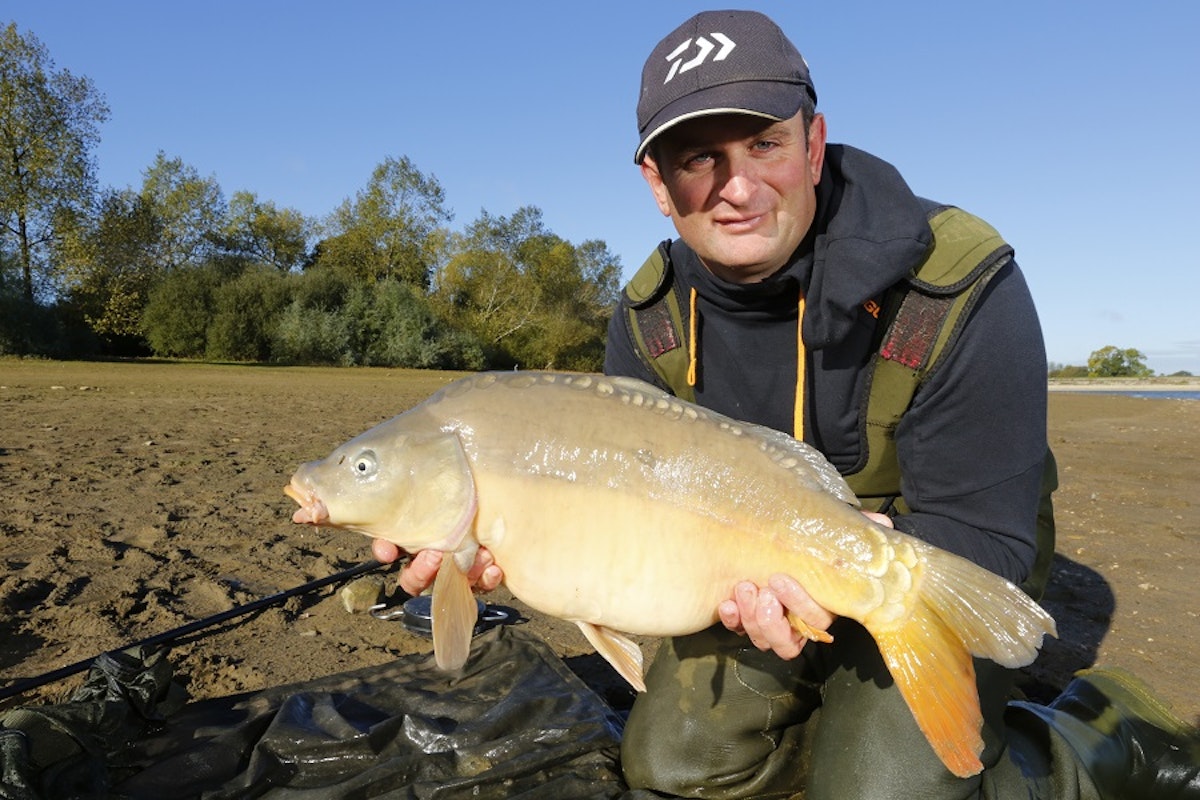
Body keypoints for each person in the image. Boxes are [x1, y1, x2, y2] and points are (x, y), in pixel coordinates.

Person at [375, 10, 1198, 799]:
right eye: (698, 160)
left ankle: (1096, 739)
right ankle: (836, 725)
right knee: (675, 763)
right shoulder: (650, 321)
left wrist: (854, 563)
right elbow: (630, 541)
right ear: (657, 185)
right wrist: (503, 557)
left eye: (764, 143)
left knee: (885, 789)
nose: (737, 187)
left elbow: (989, 533)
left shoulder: (957, 282)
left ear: (813, 143)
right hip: (752, 552)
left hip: (944, 538)